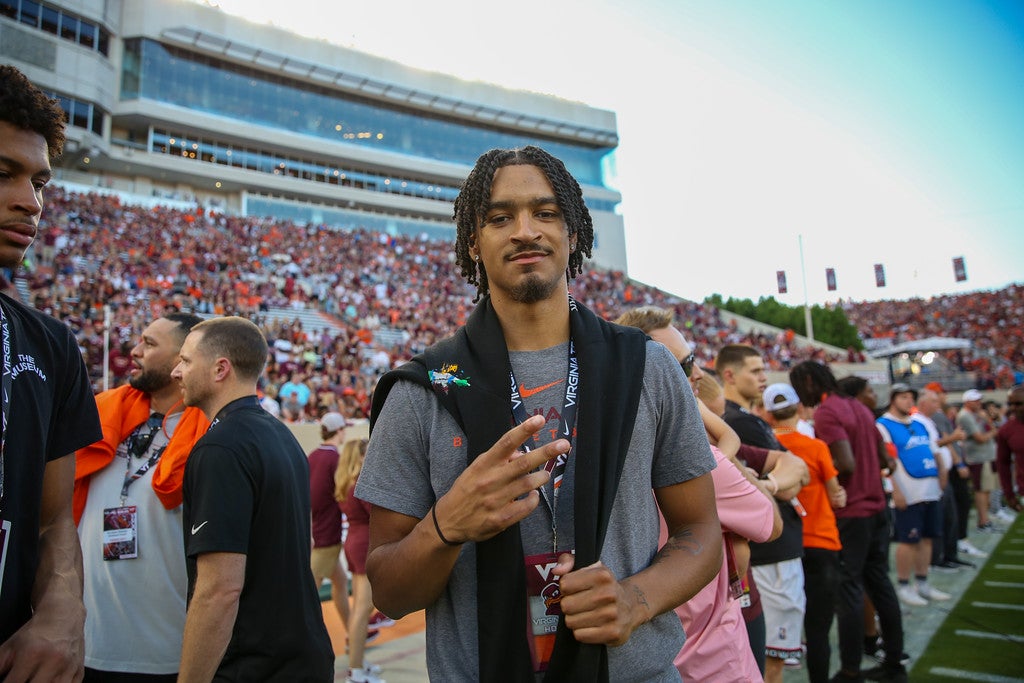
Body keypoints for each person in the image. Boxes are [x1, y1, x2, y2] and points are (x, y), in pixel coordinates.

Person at [356, 146, 722, 681]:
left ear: (572, 233)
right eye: (500, 218)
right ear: (473, 242)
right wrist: (446, 525)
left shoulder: (645, 365)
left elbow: (701, 530)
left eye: (545, 213)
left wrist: (635, 599)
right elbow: (389, 593)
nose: (525, 231)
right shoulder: (425, 387)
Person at [0, 64, 103, 681]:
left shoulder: (52, 346)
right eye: (2, 174)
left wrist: (64, 608)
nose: (30, 202)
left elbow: (52, 520)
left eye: (39, 182)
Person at [615, 306, 780, 682]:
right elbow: (771, 522)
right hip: (712, 661)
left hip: (647, 658)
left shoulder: (604, 452)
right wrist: (746, 470)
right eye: (686, 364)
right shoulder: (702, 461)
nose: (699, 373)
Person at [172, 317, 333, 681]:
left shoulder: (221, 447)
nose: (176, 371)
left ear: (220, 369)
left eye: (185, 360)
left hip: (255, 665)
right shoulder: (281, 436)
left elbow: (219, 590)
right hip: (300, 657)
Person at [74, 312, 208, 680]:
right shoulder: (99, 415)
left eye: (149, 344)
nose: (133, 351)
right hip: (85, 642)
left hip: (167, 651)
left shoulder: (212, 434)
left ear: (184, 358)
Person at [789, 361, 907, 683]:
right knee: (880, 585)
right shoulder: (859, 407)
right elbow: (885, 460)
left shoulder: (829, 411)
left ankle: (851, 670)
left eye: (799, 387)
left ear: (809, 381)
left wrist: (818, 474)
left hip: (852, 513)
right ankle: (894, 662)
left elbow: (845, 463)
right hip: (877, 506)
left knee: (849, 591)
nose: (800, 397)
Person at [717, 344, 807, 682]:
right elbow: (789, 483)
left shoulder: (748, 419)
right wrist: (775, 486)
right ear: (729, 375)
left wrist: (764, 484)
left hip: (773, 542)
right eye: (755, 371)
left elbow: (799, 471)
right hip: (766, 550)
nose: (764, 377)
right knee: (769, 658)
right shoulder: (738, 421)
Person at [763, 382, 846, 683]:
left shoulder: (765, 447)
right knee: (819, 629)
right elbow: (837, 495)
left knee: (778, 631)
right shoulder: (815, 446)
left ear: (768, 415)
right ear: (798, 408)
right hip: (820, 540)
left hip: (782, 546)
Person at [875, 384, 950, 607]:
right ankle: (904, 585)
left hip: (930, 488)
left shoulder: (920, 423)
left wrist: (942, 474)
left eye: (911, 397)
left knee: (928, 538)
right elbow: (886, 460)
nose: (909, 401)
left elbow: (934, 451)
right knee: (908, 540)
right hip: (908, 491)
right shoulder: (883, 425)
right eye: (903, 397)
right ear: (892, 399)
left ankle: (922, 582)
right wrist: (895, 490)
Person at [335, 436, 385, 683]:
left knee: (360, 608)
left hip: (353, 542)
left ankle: (358, 662)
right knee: (362, 610)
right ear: (360, 457)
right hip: (363, 544)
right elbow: (376, 514)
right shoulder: (360, 484)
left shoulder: (346, 483)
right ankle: (355, 672)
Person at [308, 412, 352, 640]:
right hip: (326, 535)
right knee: (308, 594)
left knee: (340, 582)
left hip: (318, 529)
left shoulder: (313, 456)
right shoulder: (335, 459)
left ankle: (353, 632)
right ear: (339, 431)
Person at [957, 389, 1001, 533]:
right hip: (977, 457)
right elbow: (980, 438)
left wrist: (988, 421)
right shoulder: (965, 416)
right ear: (968, 402)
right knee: (981, 490)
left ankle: (986, 520)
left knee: (986, 489)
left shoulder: (976, 414)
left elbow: (990, 430)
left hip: (986, 456)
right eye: (975, 401)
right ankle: (983, 522)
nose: (979, 403)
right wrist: (993, 432)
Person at [996, 385, 1024, 514]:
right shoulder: (1006, 430)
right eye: (1010, 404)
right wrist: (1009, 494)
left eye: (1018, 404)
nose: (1013, 408)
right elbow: (1003, 464)